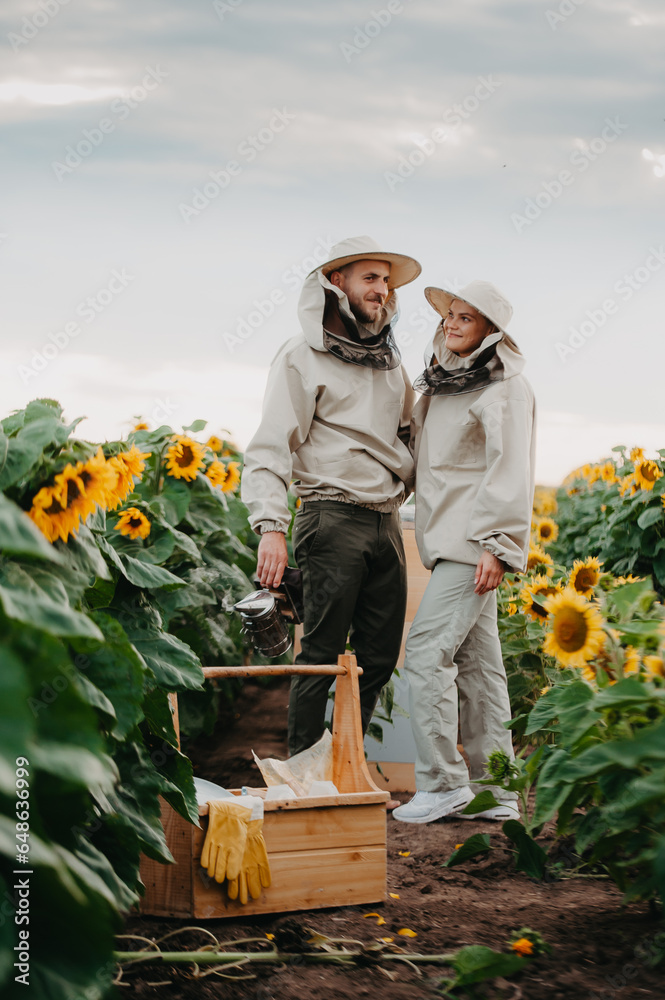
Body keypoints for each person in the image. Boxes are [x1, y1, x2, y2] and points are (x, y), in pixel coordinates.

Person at [241, 235, 421, 756]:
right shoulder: (301, 357)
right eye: (371, 278)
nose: (382, 290)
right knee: (319, 657)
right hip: (330, 518)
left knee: (378, 659)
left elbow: (410, 431)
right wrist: (271, 528)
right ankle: (302, 779)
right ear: (335, 281)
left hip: (386, 522)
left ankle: (344, 767)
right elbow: (271, 445)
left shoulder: (389, 360)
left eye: (386, 281)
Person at [393, 280, 536, 824]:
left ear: (492, 332)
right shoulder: (443, 385)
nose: (452, 324)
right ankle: (496, 790)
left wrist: (498, 545)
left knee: (427, 651)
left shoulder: (504, 388)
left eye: (467, 318)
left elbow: (511, 468)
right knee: (480, 667)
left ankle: (441, 783)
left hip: (474, 545)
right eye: (450, 315)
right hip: (449, 542)